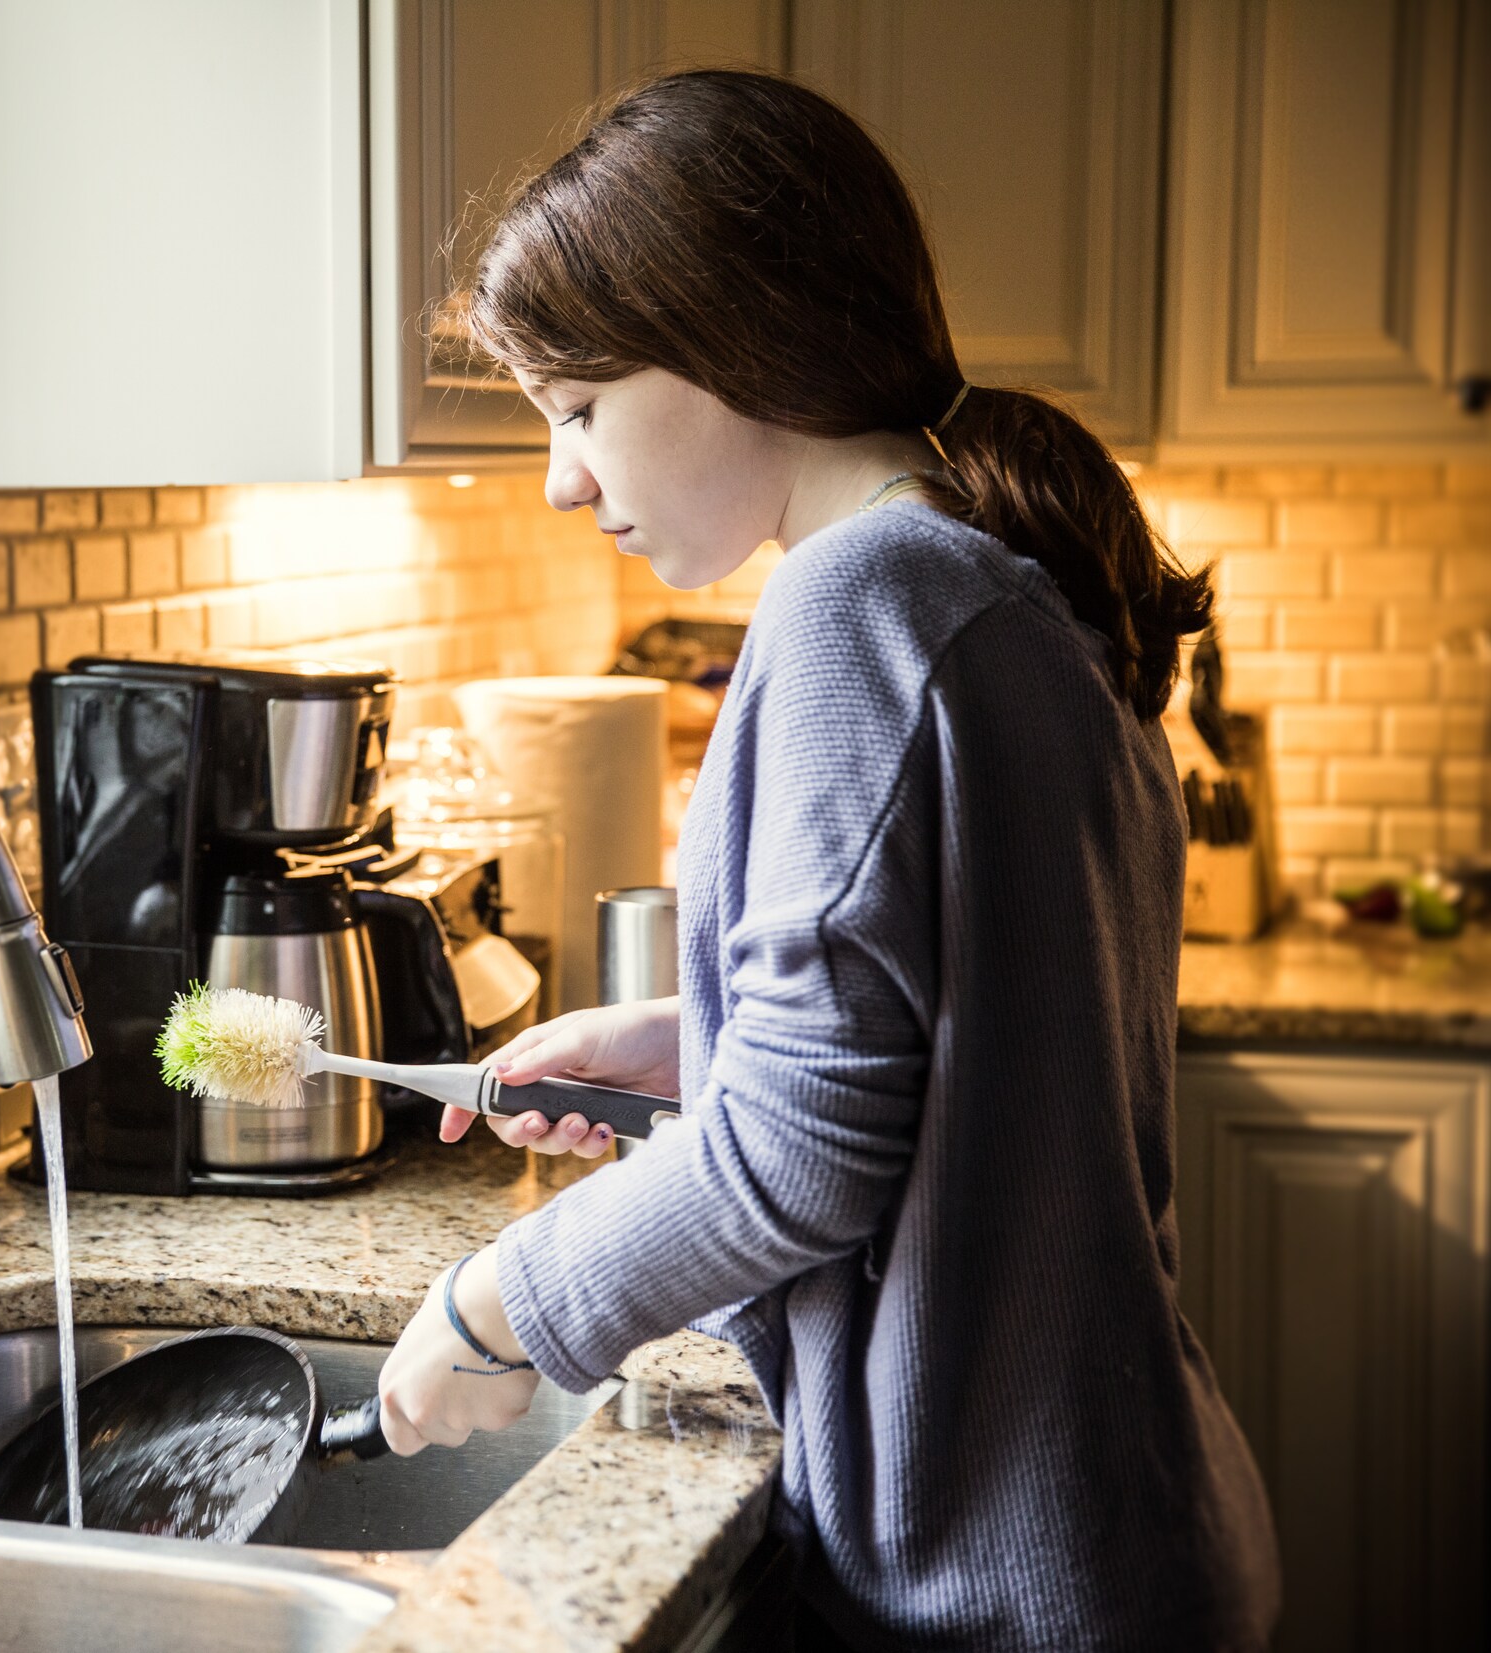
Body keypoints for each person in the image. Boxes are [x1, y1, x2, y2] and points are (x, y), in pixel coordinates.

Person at [373, 70, 1281, 1651]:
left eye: (578, 408)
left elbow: (798, 1152)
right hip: (1119, 1520)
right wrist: (691, 1041)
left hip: (997, 1572)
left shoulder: (854, 601)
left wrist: (502, 1301)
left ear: (733, 341)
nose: (561, 480)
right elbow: (992, 1025)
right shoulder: (998, 578)